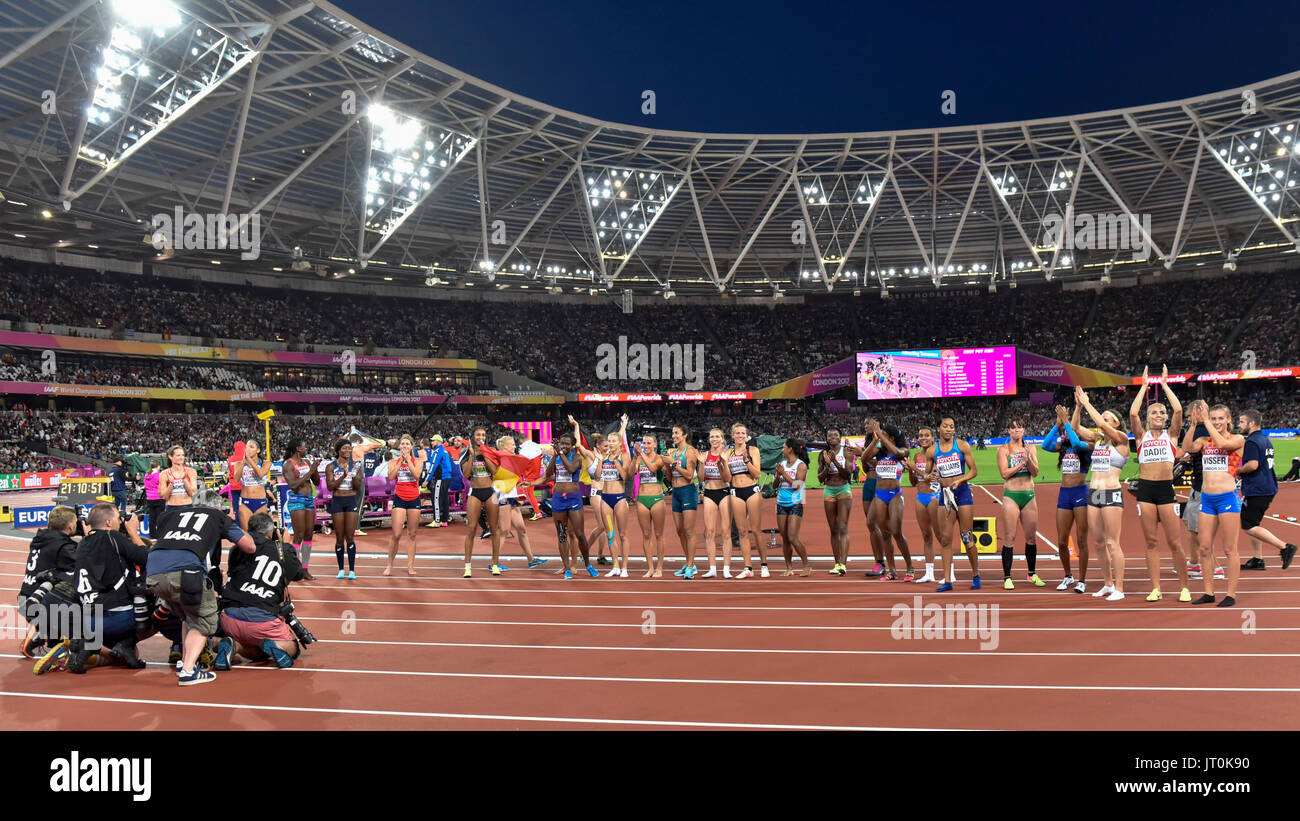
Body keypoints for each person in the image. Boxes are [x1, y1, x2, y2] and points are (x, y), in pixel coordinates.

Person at [146, 490, 255, 684]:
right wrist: (231, 523)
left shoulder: (171, 514)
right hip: (185, 572)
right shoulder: (217, 515)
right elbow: (249, 547)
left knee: (188, 616)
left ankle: (185, 662)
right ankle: (188, 671)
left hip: (153, 571)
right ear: (217, 506)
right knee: (204, 621)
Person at [63, 503, 152, 673]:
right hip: (118, 618)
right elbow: (147, 559)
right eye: (118, 518)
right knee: (156, 611)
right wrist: (133, 532)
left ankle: (90, 644)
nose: (121, 521)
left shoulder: (82, 544)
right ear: (109, 523)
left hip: (89, 619)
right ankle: (126, 642)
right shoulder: (112, 537)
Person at [1128, 366, 1192, 602]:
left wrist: (1164, 385)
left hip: (1166, 490)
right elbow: (1133, 414)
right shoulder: (1140, 436)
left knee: (1174, 542)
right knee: (1151, 541)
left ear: (1165, 418)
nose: (1158, 414)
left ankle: (1184, 587)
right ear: (1148, 417)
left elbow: (1177, 409)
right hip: (1145, 491)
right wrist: (1144, 386)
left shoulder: (1172, 436)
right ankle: (1156, 587)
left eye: (1161, 412)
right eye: (1154, 412)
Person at [214, 512, 305, 670]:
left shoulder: (237, 550)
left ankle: (232, 646)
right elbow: (298, 574)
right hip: (263, 619)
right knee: (292, 649)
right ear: (271, 532)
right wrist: (286, 544)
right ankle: (276, 645)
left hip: (229, 617)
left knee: (257, 650)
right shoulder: (283, 550)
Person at [1185, 403, 1244, 606]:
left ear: (1228, 420)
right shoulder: (1203, 440)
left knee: (1230, 549)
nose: (1217, 422)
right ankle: (1209, 592)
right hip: (1207, 499)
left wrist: (1207, 420)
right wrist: (1193, 425)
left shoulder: (1237, 439)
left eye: (1221, 418)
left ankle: (1230, 595)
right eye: (1214, 418)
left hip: (1227, 497)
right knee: (1203, 548)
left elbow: (1222, 444)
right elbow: (1186, 448)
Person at [1075, 386, 1130, 602]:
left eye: (1108, 419)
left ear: (1115, 424)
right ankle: (1107, 584)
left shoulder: (1122, 439)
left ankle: (1120, 587)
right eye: (1103, 417)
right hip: (1094, 493)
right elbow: (1075, 427)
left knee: (1112, 542)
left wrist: (1088, 403)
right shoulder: (1098, 440)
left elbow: (1099, 424)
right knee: (1098, 542)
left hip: (1111, 493)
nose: (1103, 421)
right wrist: (1079, 407)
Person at [527, 422, 595, 579]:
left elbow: (571, 469)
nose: (563, 445)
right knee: (562, 534)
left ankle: (587, 564)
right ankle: (566, 568)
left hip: (573, 499)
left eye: (566, 443)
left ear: (572, 446)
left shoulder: (577, 457)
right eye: (562, 443)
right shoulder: (558, 457)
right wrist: (555, 456)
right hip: (558, 499)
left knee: (579, 534)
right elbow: (549, 473)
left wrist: (561, 454)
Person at [1235, 410, 1298, 570]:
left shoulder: (1251, 441)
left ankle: (1285, 547)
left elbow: (1253, 465)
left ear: (1251, 423)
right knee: (1254, 523)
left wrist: (1237, 470)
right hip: (1266, 486)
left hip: (1258, 488)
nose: (1239, 425)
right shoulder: (1265, 439)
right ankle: (1257, 559)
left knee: (1248, 525)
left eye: (1242, 422)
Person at [1042, 404, 1092, 593]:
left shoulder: (1087, 445)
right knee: (1062, 541)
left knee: (1081, 540)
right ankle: (1068, 576)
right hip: (1064, 494)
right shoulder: (1064, 446)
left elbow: (1077, 443)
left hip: (1080, 493)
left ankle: (1082, 580)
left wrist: (1067, 422)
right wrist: (1057, 424)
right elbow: (1045, 445)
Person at [19, 505, 79, 662]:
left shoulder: (39, 539)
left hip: (25, 598)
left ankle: (44, 635)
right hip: (40, 604)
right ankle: (43, 635)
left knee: (57, 581)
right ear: (71, 526)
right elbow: (86, 564)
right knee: (78, 589)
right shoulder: (64, 546)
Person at [927, 417, 980, 592]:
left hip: (962, 493)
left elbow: (974, 471)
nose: (949, 429)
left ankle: (975, 575)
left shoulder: (962, 446)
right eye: (945, 426)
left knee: (967, 538)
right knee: (946, 540)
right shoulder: (932, 451)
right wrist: (931, 477)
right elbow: (928, 475)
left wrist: (960, 480)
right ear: (939, 428)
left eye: (952, 427)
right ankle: (948, 581)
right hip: (945, 496)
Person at [997, 418, 1044, 589]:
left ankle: (1032, 573)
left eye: (1020, 428)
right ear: (1009, 431)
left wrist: (1029, 460)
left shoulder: (1030, 448)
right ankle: (1007, 577)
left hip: (1029, 495)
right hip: (1011, 495)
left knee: (1031, 538)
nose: (1017, 431)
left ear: (1024, 430)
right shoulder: (1003, 450)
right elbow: (1004, 473)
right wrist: (1022, 462)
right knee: (1010, 537)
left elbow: (1036, 472)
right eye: (1014, 428)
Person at [1179, 400, 1222, 582]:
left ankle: (1215, 567)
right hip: (1198, 485)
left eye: (1189, 415)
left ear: (1198, 412)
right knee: (1191, 526)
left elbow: (1187, 449)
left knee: (1198, 530)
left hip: (1204, 487)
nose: (1188, 419)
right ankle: (1195, 562)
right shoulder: (1203, 429)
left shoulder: (1202, 430)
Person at [493, 435, 548, 570]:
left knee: (522, 530)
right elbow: (500, 482)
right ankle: (494, 563)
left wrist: (517, 496)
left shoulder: (511, 459)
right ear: (504, 447)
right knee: (504, 531)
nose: (514, 446)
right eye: (511, 444)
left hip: (510, 498)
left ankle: (531, 560)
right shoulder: (501, 459)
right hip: (502, 498)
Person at [868, 419, 914, 580]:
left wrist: (880, 433)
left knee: (897, 532)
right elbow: (864, 458)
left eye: (884, 435)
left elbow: (898, 452)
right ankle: (892, 571)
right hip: (879, 494)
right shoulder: (879, 452)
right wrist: (875, 441)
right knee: (885, 535)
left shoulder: (902, 451)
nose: (880, 436)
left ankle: (910, 567)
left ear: (891, 437)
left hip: (895, 494)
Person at [720, 423, 766, 579]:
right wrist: (723, 465)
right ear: (732, 435)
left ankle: (764, 565)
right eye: (737, 433)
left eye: (742, 433)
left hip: (751, 489)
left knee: (756, 529)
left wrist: (747, 461)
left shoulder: (753, 450)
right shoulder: (727, 453)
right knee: (742, 531)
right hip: (735, 491)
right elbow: (727, 478)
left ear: (746, 436)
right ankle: (748, 567)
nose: (740, 435)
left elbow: (757, 474)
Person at [462, 427, 505, 577]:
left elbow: (494, 471)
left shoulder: (491, 451)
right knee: (471, 529)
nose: (481, 437)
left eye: (483, 435)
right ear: (473, 436)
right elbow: (466, 474)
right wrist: (472, 456)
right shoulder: (466, 452)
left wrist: (486, 453)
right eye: (478, 435)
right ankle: (467, 566)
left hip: (490, 492)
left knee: (494, 529)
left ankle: (495, 564)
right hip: (475, 492)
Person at [819, 428, 858, 576]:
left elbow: (847, 475)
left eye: (835, 435)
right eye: (830, 435)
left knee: (843, 527)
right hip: (829, 490)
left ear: (840, 438)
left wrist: (834, 460)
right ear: (827, 439)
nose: (833, 437)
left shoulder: (846, 452)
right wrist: (828, 465)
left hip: (843, 489)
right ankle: (837, 563)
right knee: (833, 529)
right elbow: (820, 479)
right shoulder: (822, 455)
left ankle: (843, 563)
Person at [903, 427, 940, 584]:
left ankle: (949, 572)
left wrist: (913, 467)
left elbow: (931, 477)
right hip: (920, 497)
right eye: (921, 435)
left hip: (934, 496)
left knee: (941, 536)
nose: (923, 438)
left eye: (927, 435)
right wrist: (911, 472)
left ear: (932, 438)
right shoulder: (917, 456)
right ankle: (929, 573)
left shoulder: (937, 455)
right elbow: (913, 482)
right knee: (926, 536)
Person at [665, 424, 701, 578]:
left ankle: (691, 566)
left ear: (685, 435)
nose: (674, 436)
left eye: (677, 433)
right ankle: (688, 563)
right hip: (676, 492)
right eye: (673, 433)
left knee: (689, 530)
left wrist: (673, 463)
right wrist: (668, 465)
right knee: (679, 531)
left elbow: (689, 475)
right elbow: (669, 478)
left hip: (688, 491)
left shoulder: (690, 452)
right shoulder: (672, 452)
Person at [386, 434, 425, 577]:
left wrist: (408, 460)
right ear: (399, 446)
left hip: (414, 498)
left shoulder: (418, 461)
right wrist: (400, 462)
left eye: (407, 444)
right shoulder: (392, 462)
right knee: (396, 534)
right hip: (400, 498)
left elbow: (416, 475)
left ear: (411, 446)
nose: (404, 446)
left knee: (412, 534)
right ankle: (389, 565)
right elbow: (390, 477)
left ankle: (410, 565)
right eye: (402, 444)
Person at [281, 439, 320, 580]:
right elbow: (294, 485)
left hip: (309, 499)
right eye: (304, 447)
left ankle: (304, 569)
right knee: (299, 535)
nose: (306, 449)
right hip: (297, 500)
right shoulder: (288, 464)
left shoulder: (307, 463)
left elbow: (316, 482)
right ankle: (294, 569)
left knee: (309, 535)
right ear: (298, 449)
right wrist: (310, 471)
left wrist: (314, 469)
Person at [326, 438, 363, 580]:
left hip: (350, 499)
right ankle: (341, 569)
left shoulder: (356, 465)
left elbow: (356, 486)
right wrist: (344, 475)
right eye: (344, 448)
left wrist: (352, 475)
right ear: (338, 450)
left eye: (349, 448)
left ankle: (352, 570)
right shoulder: (331, 466)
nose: (347, 451)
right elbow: (330, 487)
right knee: (339, 537)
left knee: (350, 536)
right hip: (337, 501)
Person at [775, 438, 811, 576]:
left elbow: (798, 485)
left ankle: (806, 565)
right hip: (781, 503)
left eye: (783, 447)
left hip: (795, 503)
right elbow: (774, 486)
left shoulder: (801, 465)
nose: (782, 450)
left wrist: (783, 473)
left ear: (790, 449)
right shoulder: (782, 464)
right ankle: (789, 568)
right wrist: (778, 475)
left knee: (792, 537)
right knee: (784, 538)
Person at [699, 428, 730, 578]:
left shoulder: (727, 454)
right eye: (712, 437)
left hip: (724, 492)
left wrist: (721, 464)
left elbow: (727, 478)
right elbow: (699, 478)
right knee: (709, 532)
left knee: (725, 532)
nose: (714, 439)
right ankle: (712, 567)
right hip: (709, 492)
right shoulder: (705, 455)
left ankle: (726, 568)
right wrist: (700, 464)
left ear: (722, 439)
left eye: (717, 436)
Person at [234, 440, 270, 535]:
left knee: (261, 534)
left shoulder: (265, 463)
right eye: (247, 447)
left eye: (251, 447)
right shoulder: (239, 464)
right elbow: (236, 479)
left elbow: (261, 474)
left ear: (258, 450)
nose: (248, 449)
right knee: (247, 534)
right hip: (245, 502)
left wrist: (249, 460)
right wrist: (243, 462)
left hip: (260, 502)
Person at [424, 434, 455, 528]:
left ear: (438, 441)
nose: (432, 443)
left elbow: (433, 466)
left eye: (433, 441)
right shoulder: (444, 451)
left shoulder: (438, 451)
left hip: (441, 478)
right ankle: (444, 521)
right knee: (445, 499)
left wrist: (426, 480)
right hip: (447, 477)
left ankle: (437, 521)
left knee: (436, 499)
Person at [142, 459, 163, 535]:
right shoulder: (159, 475)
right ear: (158, 466)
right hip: (158, 497)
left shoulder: (146, 475)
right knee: (160, 517)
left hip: (150, 498)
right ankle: (160, 533)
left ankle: (152, 534)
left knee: (152, 517)